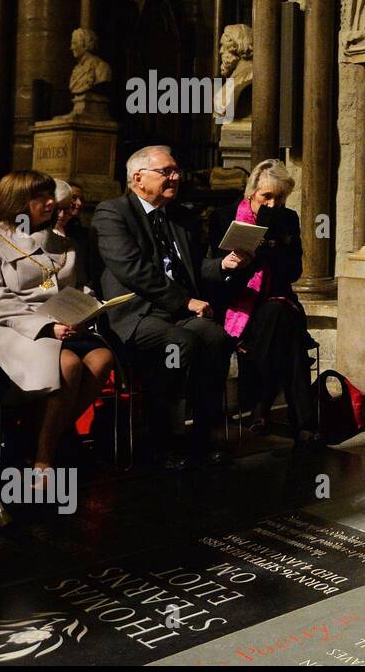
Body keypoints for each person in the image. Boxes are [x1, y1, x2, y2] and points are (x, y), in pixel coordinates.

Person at [92, 145, 251, 468]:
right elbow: (133, 269)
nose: (176, 177)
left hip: (177, 313)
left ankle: (204, 435)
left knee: (216, 337)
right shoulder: (112, 213)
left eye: (176, 171)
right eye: (166, 171)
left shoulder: (181, 217)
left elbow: (194, 267)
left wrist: (224, 265)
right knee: (179, 343)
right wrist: (186, 301)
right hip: (135, 314)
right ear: (138, 178)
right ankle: (165, 442)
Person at [0, 171, 115, 475]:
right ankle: (44, 457)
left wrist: (84, 312)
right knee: (68, 365)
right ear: (17, 200)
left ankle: (35, 436)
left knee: (102, 358)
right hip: (13, 328)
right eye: (40, 196)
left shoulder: (63, 242)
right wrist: (46, 327)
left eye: (51, 195)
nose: (51, 202)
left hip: (66, 324)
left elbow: (79, 288)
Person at [223, 159, 318, 444]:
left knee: (278, 314)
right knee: (289, 340)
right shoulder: (226, 216)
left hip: (278, 300)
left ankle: (259, 408)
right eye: (267, 196)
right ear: (252, 192)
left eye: (280, 197)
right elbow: (216, 273)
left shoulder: (287, 219)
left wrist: (272, 243)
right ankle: (304, 422)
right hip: (239, 304)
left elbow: (293, 272)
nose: (273, 204)